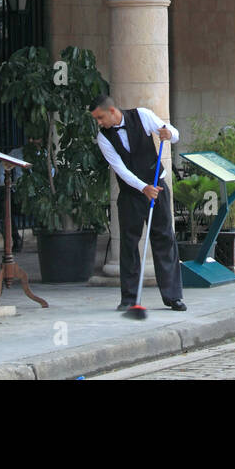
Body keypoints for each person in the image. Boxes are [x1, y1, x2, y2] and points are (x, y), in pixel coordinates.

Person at [89, 95, 186, 312]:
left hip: (157, 186)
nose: (99, 122)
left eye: (100, 117)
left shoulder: (142, 115)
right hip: (131, 194)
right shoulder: (104, 138)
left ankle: (173, 297)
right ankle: (129, 298)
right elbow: (120, 169)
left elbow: (173, 132)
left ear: (112, 111)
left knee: (164, 239)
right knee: (129, 244)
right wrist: (143, 187)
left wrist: (169, 134)